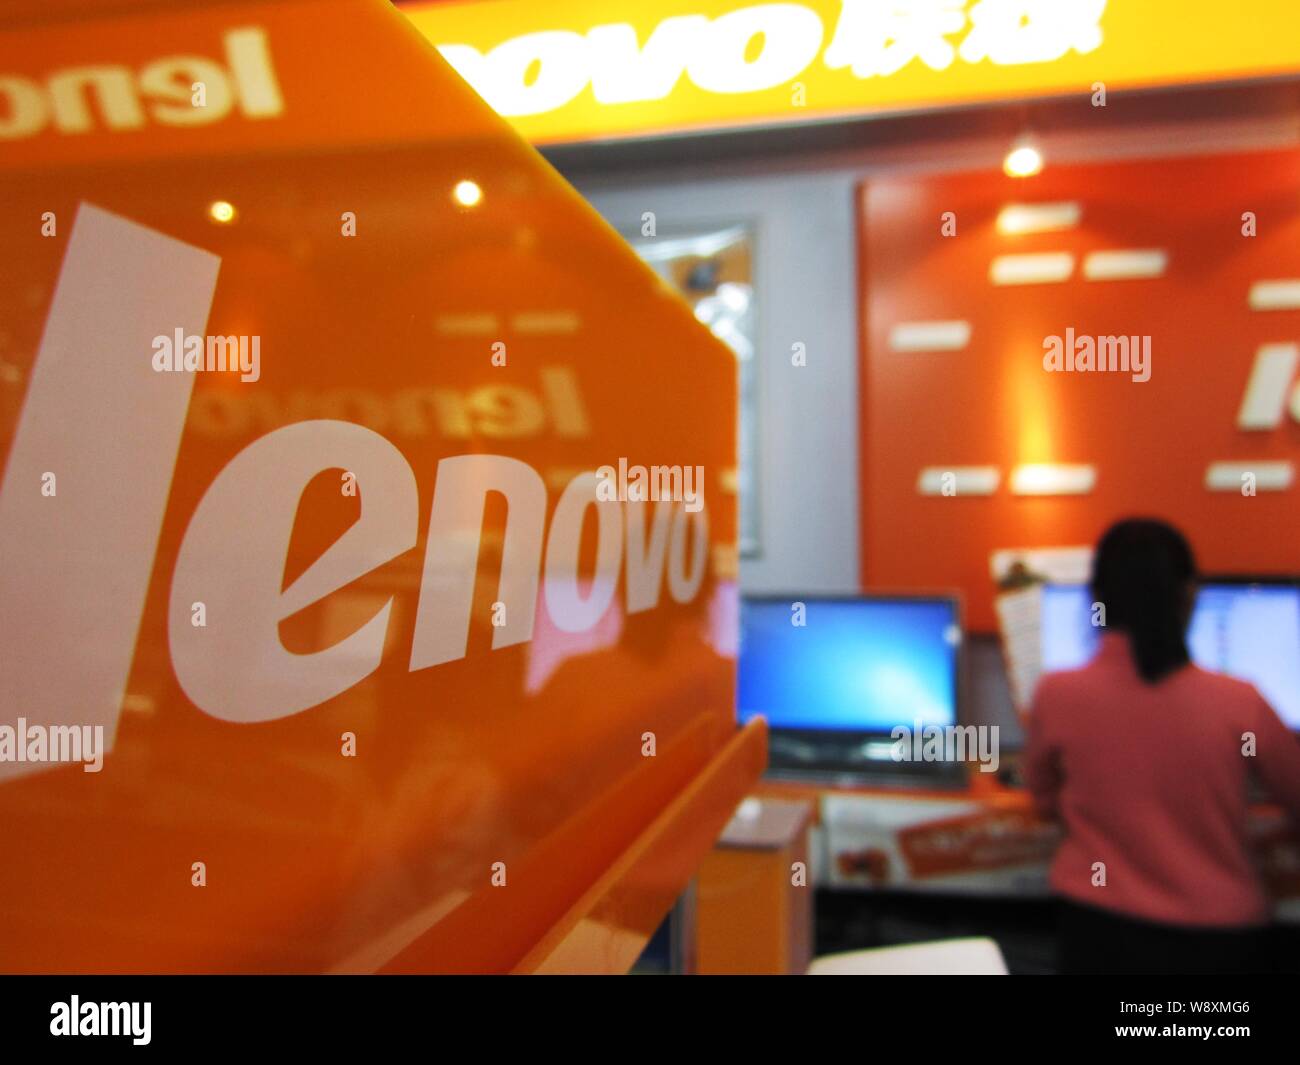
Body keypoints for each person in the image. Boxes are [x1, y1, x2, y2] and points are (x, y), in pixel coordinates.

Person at [1024, 518, 1300, 974]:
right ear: (1189, 595)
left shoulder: (1057, 694)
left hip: (1096, 933)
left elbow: (1043, 797)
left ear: (1096, 599)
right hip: (1217, 942)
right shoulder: (1240, 703)